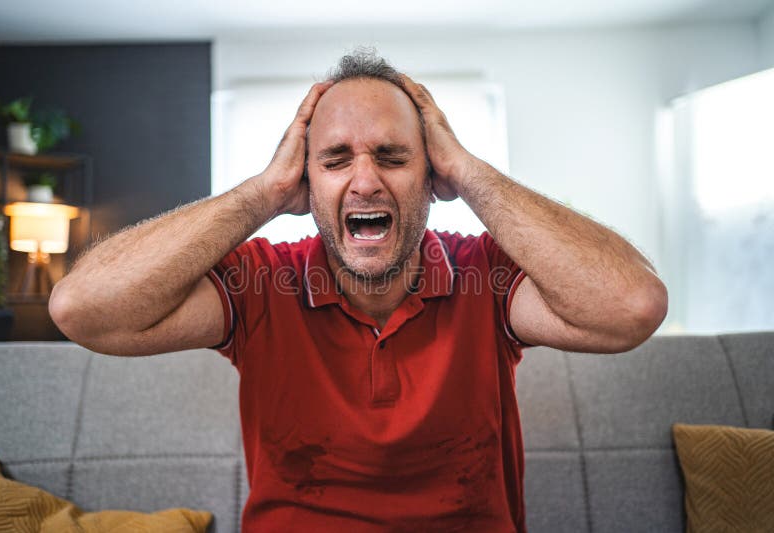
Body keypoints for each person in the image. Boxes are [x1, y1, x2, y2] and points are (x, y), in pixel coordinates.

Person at [49, 50, 667, 532]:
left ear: (432, 178)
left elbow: (631, 306)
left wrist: (471, 172)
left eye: (394, 157)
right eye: (336, 159)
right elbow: (82, 310)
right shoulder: (262, 281)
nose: (365, 180)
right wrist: (262, 192)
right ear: (305, 182)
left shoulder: (487, 277)